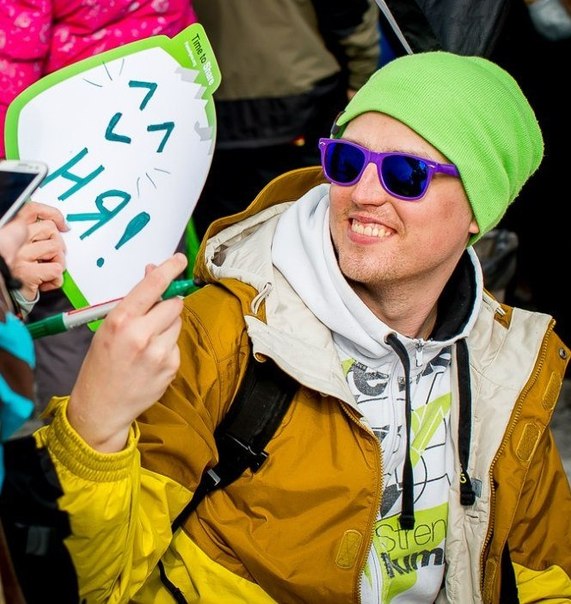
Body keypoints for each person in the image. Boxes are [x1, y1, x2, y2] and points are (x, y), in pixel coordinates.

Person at [3, 50, 571, 603]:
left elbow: (545, 575)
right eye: (347, 161)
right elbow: (92, 584)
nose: (363, 193)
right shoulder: (223, 331)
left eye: (407, 174)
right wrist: (94, 427)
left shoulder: (506, 368)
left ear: (478, 209)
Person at [0, 0, 198, 415]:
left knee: (63, 309)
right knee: (150, 295)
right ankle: (158, 430)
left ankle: (78, 433)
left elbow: (10, 68)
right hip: (154, 148)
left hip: (69, 173)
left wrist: (11, 192)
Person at [190, 0, 381, 239]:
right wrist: (360, 80)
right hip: (301, 96)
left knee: (224, 234)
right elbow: (350, 15)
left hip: (207, 98)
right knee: (308, 228)